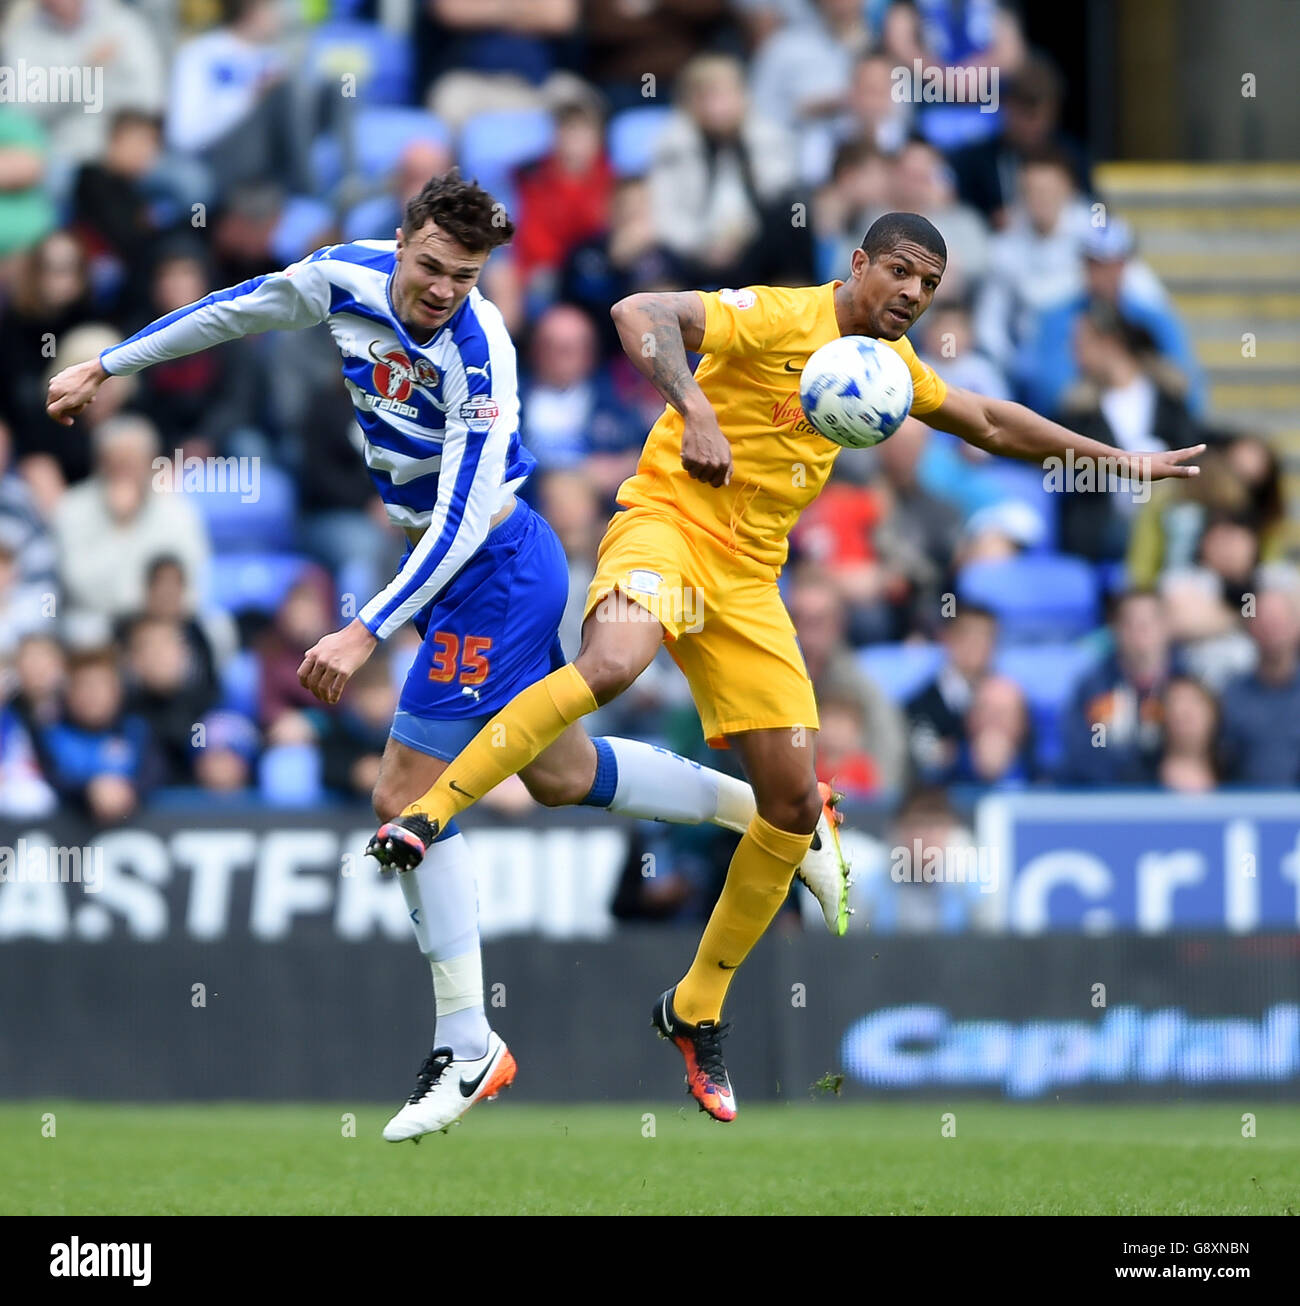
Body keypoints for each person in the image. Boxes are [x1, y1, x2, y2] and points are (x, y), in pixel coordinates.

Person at [45, 169, 850, 1142]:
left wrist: (364, 625)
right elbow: (237, 309)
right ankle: (772, 817)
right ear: (401, 241)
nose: (441, 288)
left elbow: (466, 518)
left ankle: (467, 1042)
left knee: (402, 795)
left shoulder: (483, 354)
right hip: (454, 563)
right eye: (430, 266)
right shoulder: (345, 276)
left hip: (495, 564)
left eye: (464, 275)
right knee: (555, 773)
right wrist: (112, 366)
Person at [371, 210, 1203, 1122]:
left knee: (797, 802)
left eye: (928, 285)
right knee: (612, 663)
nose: (914, 295)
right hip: (667, 527)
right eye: (901, 272)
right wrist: (693, 410)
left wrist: (1116, 461)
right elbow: (637, 310)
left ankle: (694, 1009)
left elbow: (991, 420)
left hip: (748, 581)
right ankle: (429, 813)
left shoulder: (891, 371)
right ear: (858, 265)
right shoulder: (774, 314)